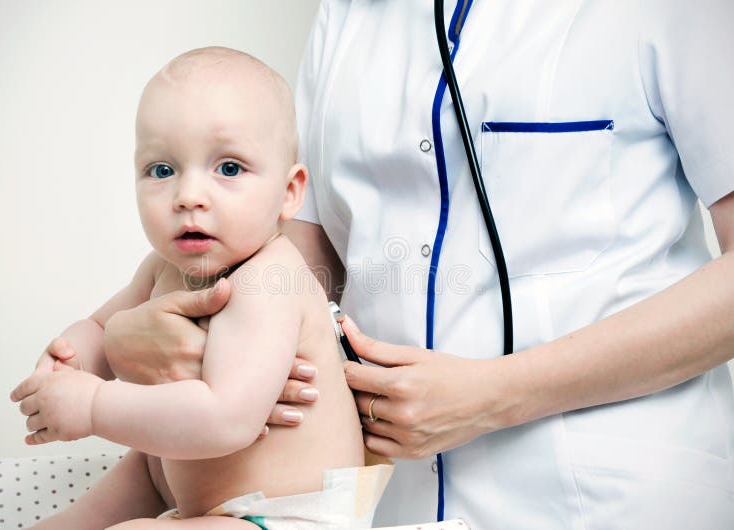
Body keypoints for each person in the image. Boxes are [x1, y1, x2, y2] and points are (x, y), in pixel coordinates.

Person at [98, 2, 734, 529]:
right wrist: (140, 327)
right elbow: (299, 259)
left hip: (609, 493)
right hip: (390, 499)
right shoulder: (347, 15)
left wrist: (498, 394)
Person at [9, 46, 392, 529]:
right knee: (133, 474)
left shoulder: (270, 279)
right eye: (162, 170)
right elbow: (102, 326)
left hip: (287, 517)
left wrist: (91, 405)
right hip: (201, 497)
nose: (188, 196)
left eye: (228, 168)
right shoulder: (162, 268)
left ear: (290, 192)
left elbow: (225, 419)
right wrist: (70, 360)